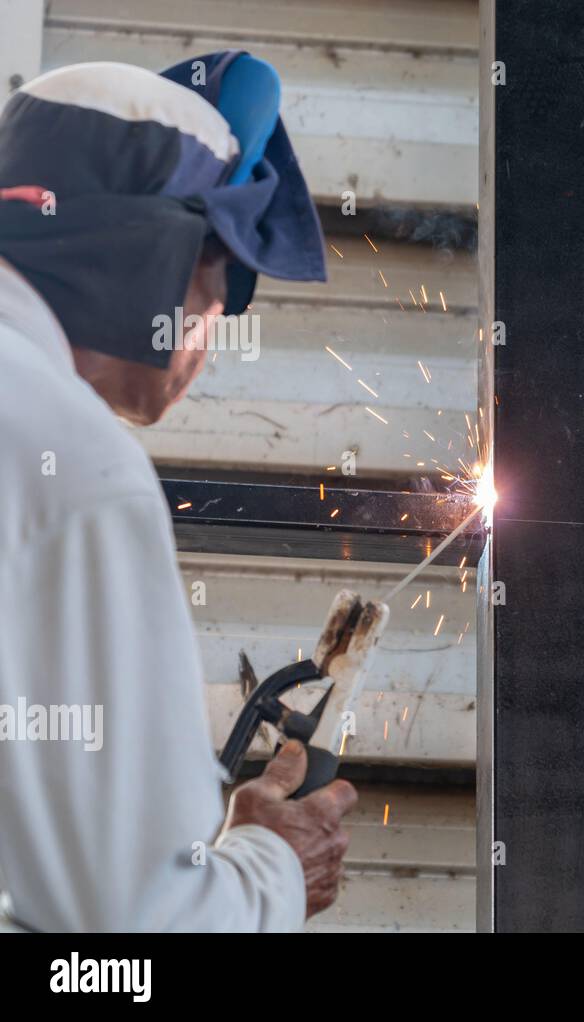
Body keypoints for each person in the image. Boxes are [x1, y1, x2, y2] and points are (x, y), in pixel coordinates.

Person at [0, 54, 354, 931]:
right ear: (151, 250)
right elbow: (133, 931)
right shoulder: (73, 465)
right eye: (222, 280)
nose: (216, 327)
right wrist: (275, 865)